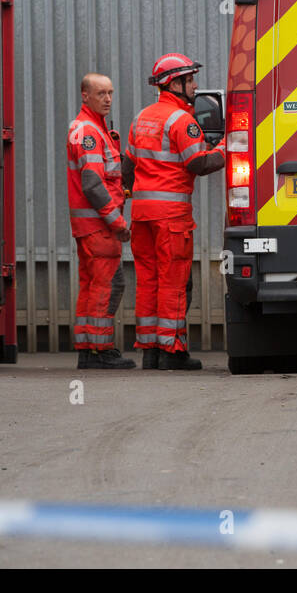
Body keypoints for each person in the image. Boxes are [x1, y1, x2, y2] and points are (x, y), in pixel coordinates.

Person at [127, 53, 224, 370]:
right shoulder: (182, 121)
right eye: (191, 79)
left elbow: (127, 169)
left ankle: (150, 351)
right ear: (176, 83)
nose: (195, 86)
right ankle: (172, 352)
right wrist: (228, 148)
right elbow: (198, 163)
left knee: (148, 282)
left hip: (141, 216)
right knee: (174, 283)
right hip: (171, 218)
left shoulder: (141, 118)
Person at [67, 73, 135, 369]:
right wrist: (117, 222)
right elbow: (93, 184)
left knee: (93, 284)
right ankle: (100, 350)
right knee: (108, 285)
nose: (107, 99)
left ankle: (88, 349)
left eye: (110, 92)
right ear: (85, 95)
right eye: (100, 93)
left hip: (90, 226)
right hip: (99, 225)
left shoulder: (90, 128)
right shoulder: (91, 132)